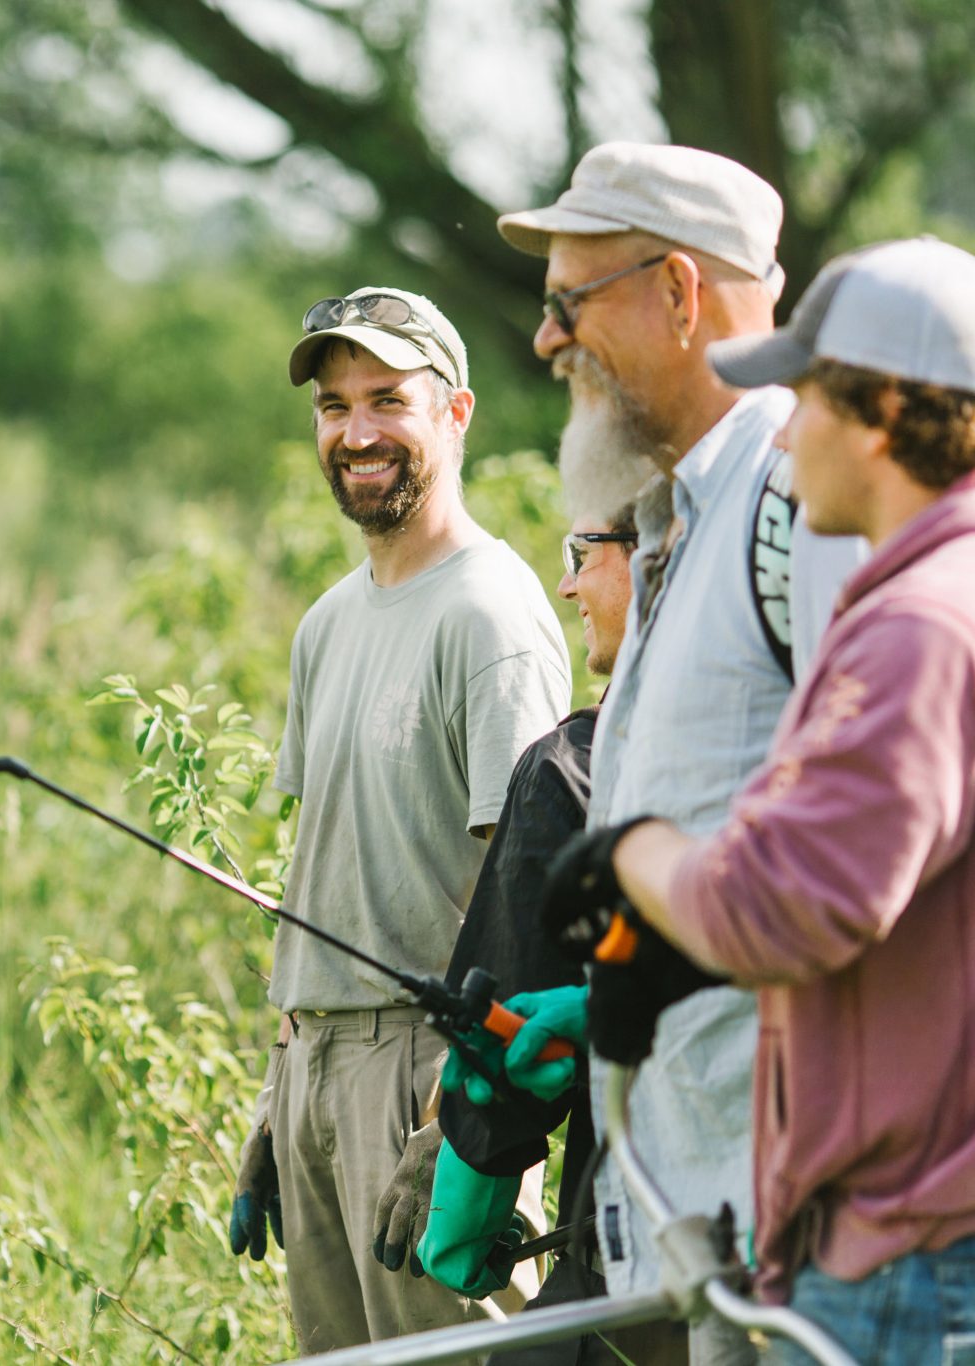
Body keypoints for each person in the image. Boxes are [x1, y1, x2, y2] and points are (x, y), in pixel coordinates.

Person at [580, 237, 975, 1363]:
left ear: (883, 411)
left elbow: (788, 907)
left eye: (801, 403)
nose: (782, 438)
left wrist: (631, 856)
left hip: (924, 1262)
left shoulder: (925, 623)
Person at [420, 142, 864, 1366]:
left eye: (569, 304)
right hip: (687, 1217)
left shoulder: (806, 511)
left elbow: (882, 865)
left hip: (814, 1231)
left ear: (677, 294)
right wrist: (625, 994)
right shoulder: (671, 531)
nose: (544, 342)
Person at [227, 286, 572, 1354]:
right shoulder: (327, 623)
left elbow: (527, 901)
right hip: (317, 1066)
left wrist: (458, 1129)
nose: (356, 432)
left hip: (428, 1075)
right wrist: (281, 1096)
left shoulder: (488, 613)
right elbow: (329, 870)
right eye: (333, 406)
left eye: (387, 399)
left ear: (455, 412)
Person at [363, 491, 642, 1316]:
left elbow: (510, 1036)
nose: (567, 587)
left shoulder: (578, 764)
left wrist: (463, 1208)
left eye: (583, 553)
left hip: (644, 1239)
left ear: (654, 550)